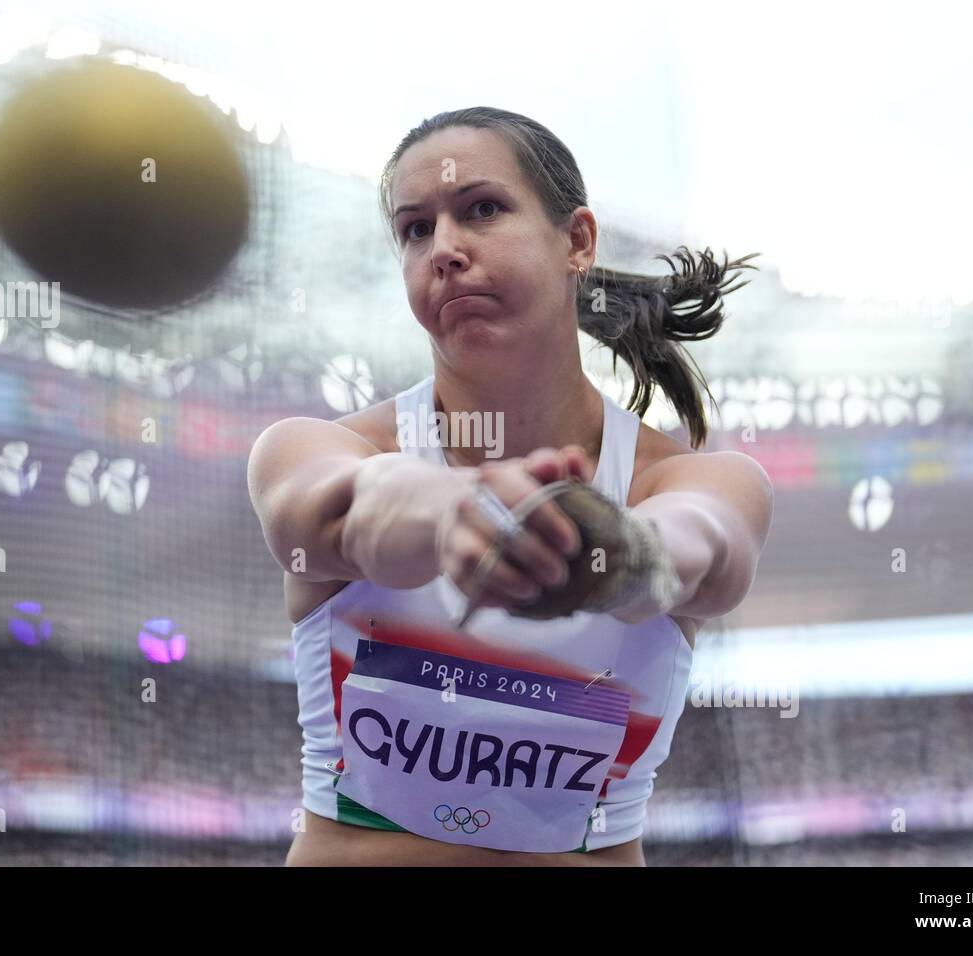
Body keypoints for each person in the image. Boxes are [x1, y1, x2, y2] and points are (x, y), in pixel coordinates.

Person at [248, 107, 773, 866]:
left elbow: (702, 544)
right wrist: (455, 513)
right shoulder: (314, 450)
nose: (446, 249)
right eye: (414, 230)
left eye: (482, 210)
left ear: (578, 240)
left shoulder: (688, 479)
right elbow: (352, 510)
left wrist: (613, 551)